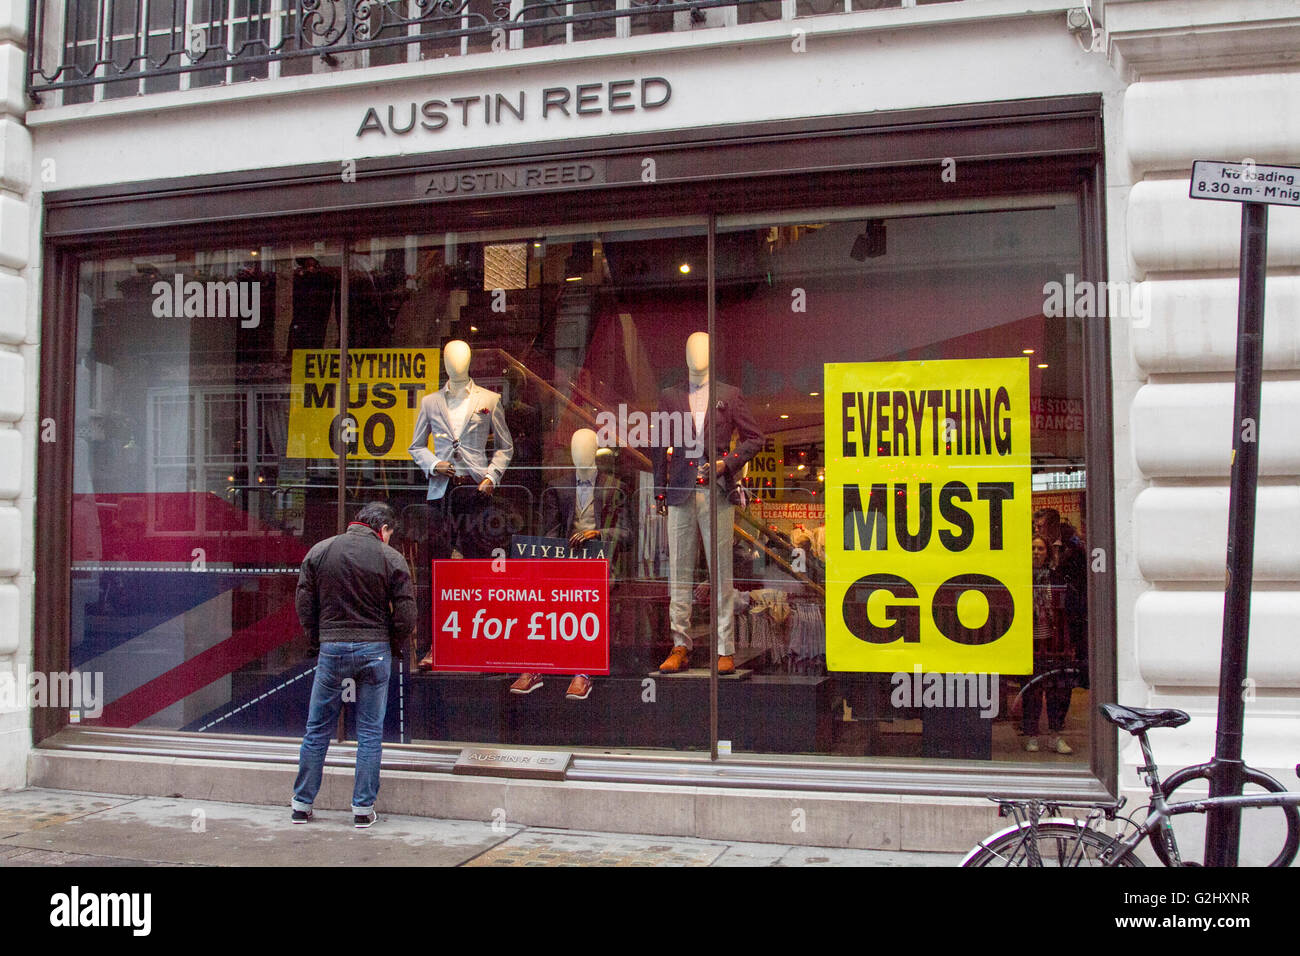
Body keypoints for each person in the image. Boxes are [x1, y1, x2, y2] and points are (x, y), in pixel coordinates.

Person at [291, 501, 416, 827]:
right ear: (383, 529)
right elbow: (406, 614)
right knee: (370, 733)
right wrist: (392, 642)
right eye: (390, 533)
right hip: (375, 650)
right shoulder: (391, 558)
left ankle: (301, 805)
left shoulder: (320, 551)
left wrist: (318, 638)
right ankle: (362, 810)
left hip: (332, 649)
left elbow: (303, 601)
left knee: (317, 730)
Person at [1021, 535, 1073, 755]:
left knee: (1057, 689)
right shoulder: (1020, 577)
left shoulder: (1056, 577)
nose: (1036, 552)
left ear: (1047, 552)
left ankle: (1055, 734)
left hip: (1054, 640)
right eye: (1032, 548)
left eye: (1040, 548)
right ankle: (1032, 734)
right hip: (1028, 640)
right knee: (1031, 690)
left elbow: (1066, 609)